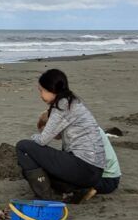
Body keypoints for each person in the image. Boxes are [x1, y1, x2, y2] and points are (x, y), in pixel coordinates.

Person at [16, 68, 106, 203]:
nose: (40, 94)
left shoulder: (62, 106)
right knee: (31, 169)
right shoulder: (72, 102)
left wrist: (34, 138)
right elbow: (57, 136)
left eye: (41, 90)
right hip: (94, 169)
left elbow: (42, 140)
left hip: (85, 166)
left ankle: (46, 197)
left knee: (23, 146)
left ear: (51, 89)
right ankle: (76, 191)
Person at [36, 110, 121, 201]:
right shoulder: (76, 128)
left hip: (106, 180)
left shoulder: (76, 133)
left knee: (49, 174)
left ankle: (85, 190)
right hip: (108, 176)